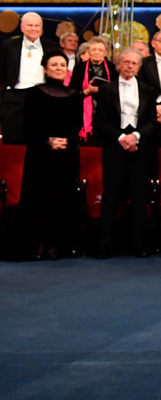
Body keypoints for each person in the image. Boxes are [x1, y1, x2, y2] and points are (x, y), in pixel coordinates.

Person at [94, 48, 158, 257]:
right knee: (110, 195)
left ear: (139, 67)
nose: (130, 66)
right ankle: (105, 244)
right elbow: (100, 122)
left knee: (140, 196)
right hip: (115, 146)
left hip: (140, 147)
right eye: (126, 62)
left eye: (134, 63)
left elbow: (152, 122)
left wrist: (136, 137)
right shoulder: (106, 90)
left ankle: (137, 244)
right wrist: (122, 138)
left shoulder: (149, 90)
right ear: (118, 65)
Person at [18, 52, 82, 260]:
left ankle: (59, 245)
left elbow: (76, 124)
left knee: (63, 199)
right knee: (38, 198)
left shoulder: (75, 94)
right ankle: (36, 244)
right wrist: (47, 140)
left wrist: (66, 140)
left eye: (62, 65)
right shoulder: (33, 94)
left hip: (66, 154)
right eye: (54, 64)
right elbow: (28, 124)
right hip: (40, 154)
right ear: (45, 68)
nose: (58, 68)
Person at [0, 12, 58, 144]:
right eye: (30, 25)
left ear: (41, 28)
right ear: (22, 27)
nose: (33, 28)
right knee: (13, 138)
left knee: (40, 138)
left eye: (37, 25)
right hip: (15, 97)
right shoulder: (8, 46)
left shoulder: (51, 46)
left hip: (42, 96)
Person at [69, 37, 117, 145]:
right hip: (83, 111)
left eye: (100, 50)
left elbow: (117, 91)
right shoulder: (79, 68)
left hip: (106, 111)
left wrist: (103, 90)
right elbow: (72, 92)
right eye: (94, 49)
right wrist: (86, 91)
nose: (96, 52)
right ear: (89, 51)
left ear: (105, 53)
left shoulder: (112, 68)